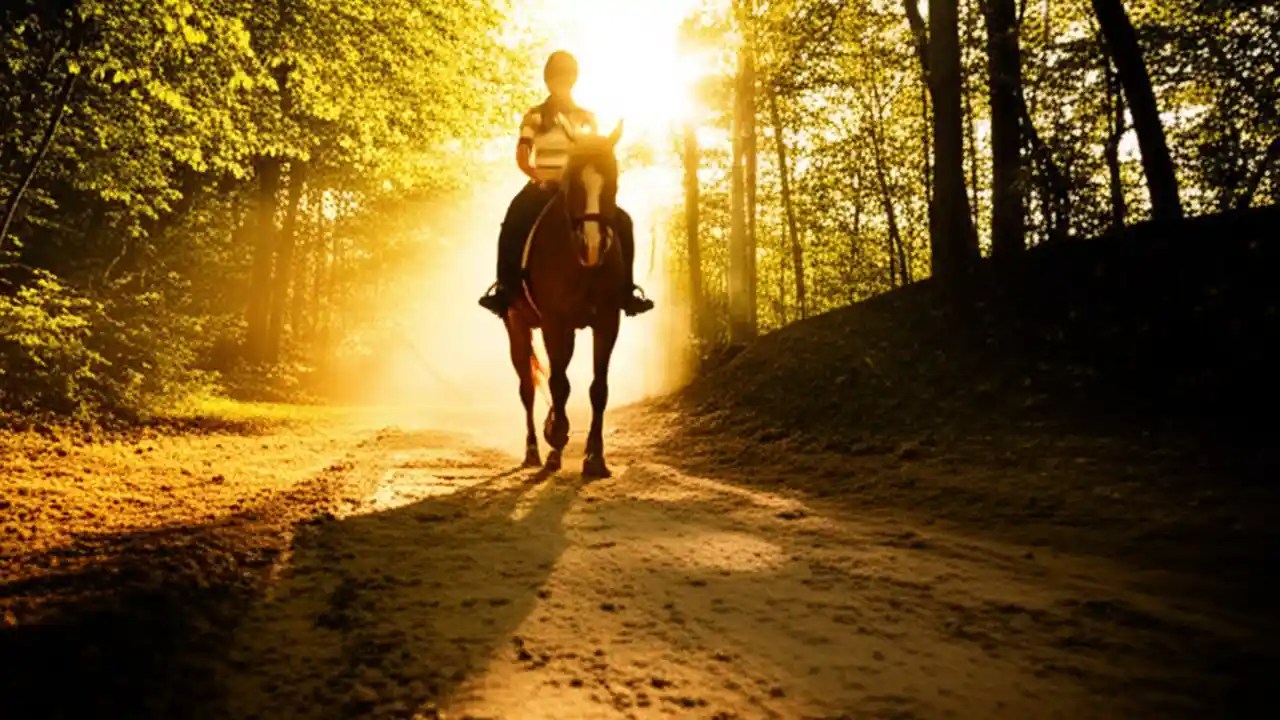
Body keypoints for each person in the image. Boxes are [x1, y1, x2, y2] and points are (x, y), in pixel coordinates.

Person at [479, 50, 654, 318]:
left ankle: (626, 291)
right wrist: (541, 178)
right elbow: (523, 157)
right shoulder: (535, 116)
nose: (561, 83)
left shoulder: (586, 117)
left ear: (573, 80)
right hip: (543, 188)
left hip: (578, 188)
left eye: (566, 77)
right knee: (513, 220)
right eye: (556, 78)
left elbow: (594, 155)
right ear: (548, 81)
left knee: (623, 222)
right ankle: (504, 291)